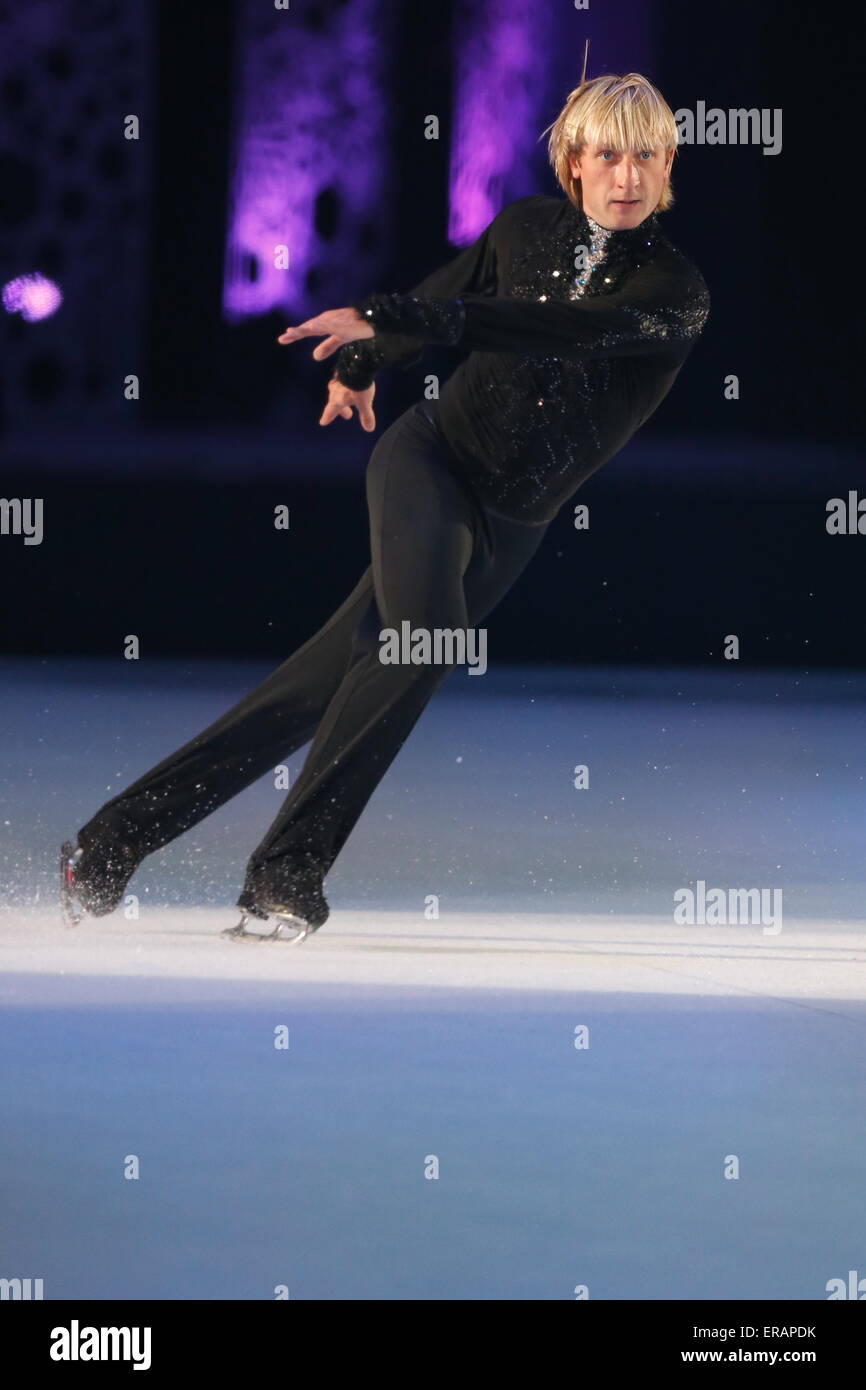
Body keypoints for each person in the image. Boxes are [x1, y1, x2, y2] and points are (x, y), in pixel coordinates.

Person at [60, 71, 710, 944]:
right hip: (431, 461)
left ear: (667, 164)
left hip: (514, 523)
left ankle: (107, 846)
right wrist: (368, 358)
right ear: (573, 161)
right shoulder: (523, 226)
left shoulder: (674, 291)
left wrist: (390, 315)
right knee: (425, 638)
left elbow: (552, 327)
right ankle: (284, 879)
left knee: (314, 690)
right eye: (607, 154)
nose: (626, 174)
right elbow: (454, 287)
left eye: (645, 155)